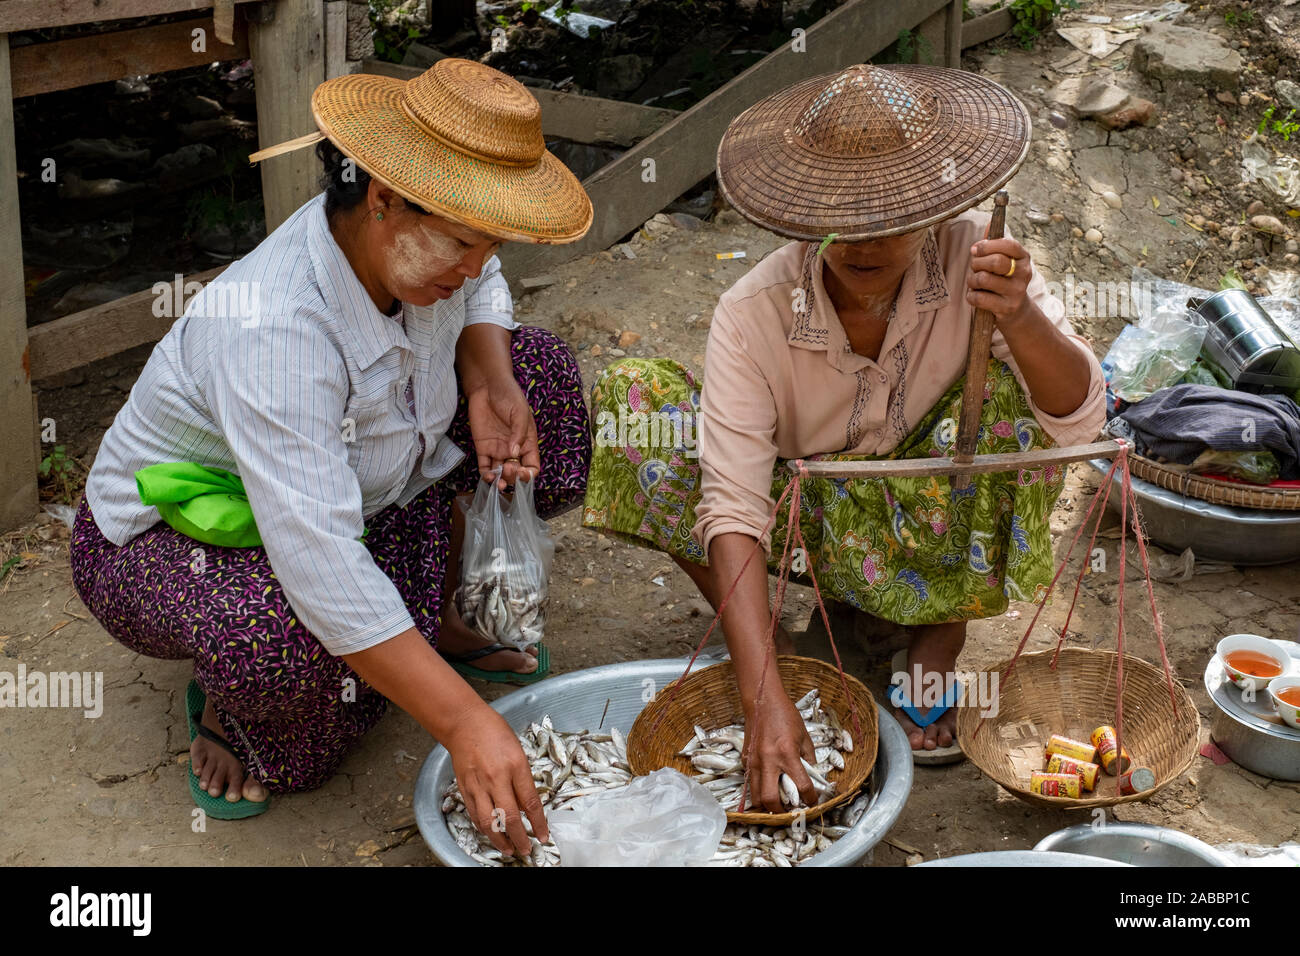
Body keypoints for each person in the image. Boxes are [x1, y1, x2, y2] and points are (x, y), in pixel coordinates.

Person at [70, 59, 592, 856]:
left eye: (492, 243)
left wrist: (488, 376)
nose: (476, 267)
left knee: (540, 380)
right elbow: (315, 555)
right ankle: (226, 700)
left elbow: (483, 291)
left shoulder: (432, 253)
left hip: (364, 488)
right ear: (382, 198)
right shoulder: (275, 329)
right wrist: (463, 722)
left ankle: (429, 622)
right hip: (177, 536)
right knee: (279, 674)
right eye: (461, 242)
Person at [583, 64, 1105, 811]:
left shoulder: (980, 261)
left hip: (932, 502)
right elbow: (731, 503)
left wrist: (1022, 319)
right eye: (841, 218)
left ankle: (936, 635)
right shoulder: (754, 310)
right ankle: (777, 645)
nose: (864, 242)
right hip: (813, 507)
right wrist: (763, 690)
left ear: (935, 206)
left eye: (891, 216)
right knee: (640, 402)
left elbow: (1078, 420)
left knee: (1015, 403)